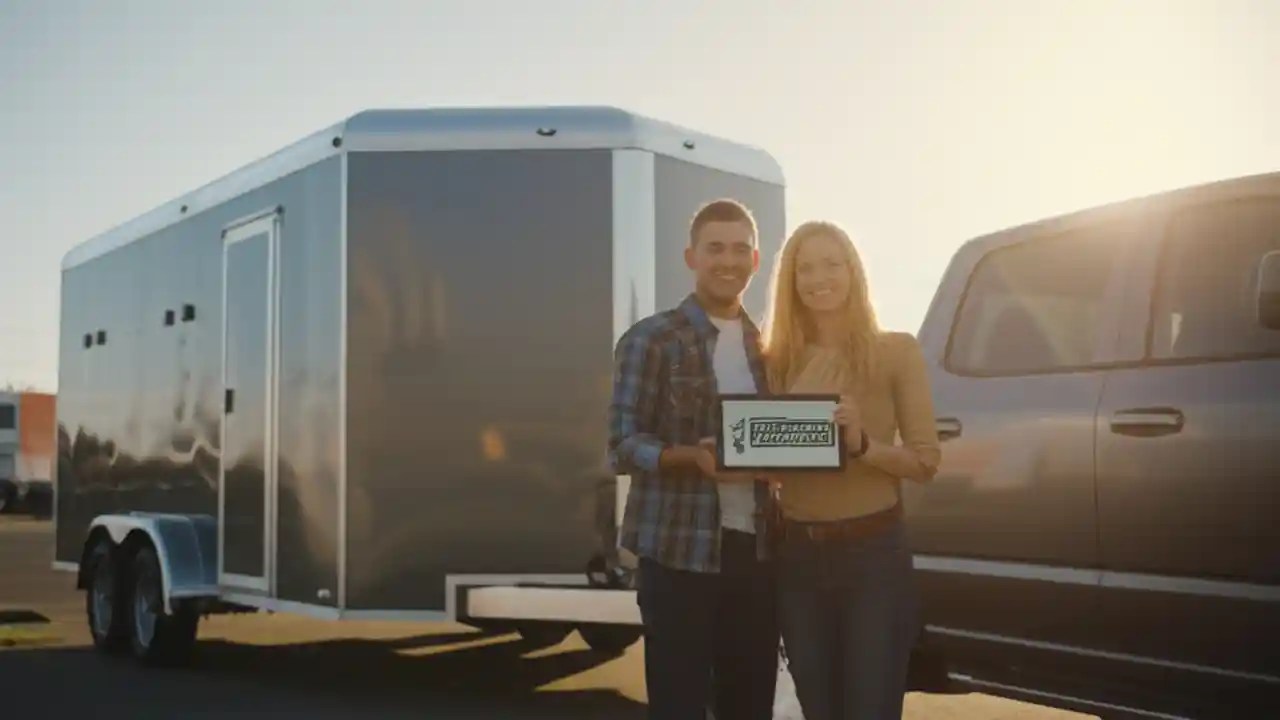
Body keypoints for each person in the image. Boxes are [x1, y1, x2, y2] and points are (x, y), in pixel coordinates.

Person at [608, 198, 780, 720]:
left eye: (739, 250)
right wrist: (689, 458)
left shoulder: (770, 346)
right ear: (692, 257)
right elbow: (620, 444)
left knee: (748, 705)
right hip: (677, 554)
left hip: (758, 554)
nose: (727, 261)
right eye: (714, 249)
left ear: (755, 261)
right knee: (679, 704)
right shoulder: (650, 338)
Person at [762, 220, 941, 720]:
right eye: (805, 268)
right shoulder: (774, 362)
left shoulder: (896, 351)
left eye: (832, 264)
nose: (819, 277)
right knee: (818, 708)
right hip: (796, 558)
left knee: (869, 709)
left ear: (853, 272)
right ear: (790, 282)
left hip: (873, 559)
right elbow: (769, 470)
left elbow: (926, 462)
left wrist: (863, 444)